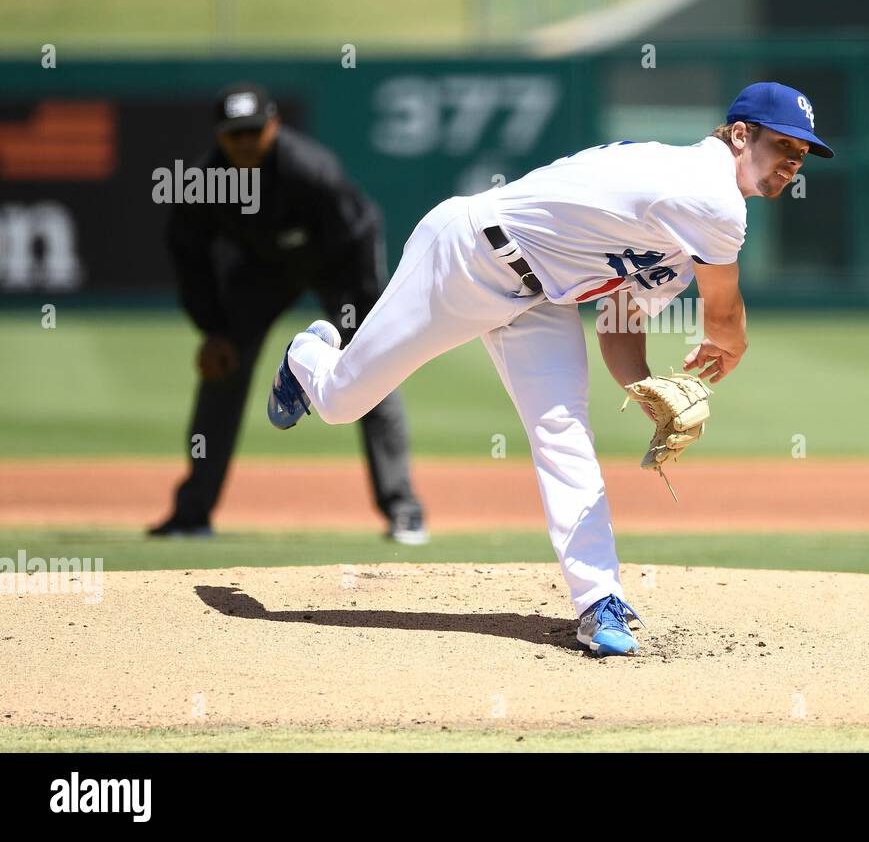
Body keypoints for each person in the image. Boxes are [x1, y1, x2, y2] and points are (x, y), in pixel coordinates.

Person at [266, 82, 832, 654]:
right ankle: (308, 354)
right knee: (341, 402)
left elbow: (617, 322)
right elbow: (724, 317)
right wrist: (732, 344)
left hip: (543, 300)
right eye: (783, 144)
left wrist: (643, 389)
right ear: (740, 134)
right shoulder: (710, 195)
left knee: (563, 429)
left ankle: (598, 601)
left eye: (801, 154)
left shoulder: (685, 247)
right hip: (467, 254)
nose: (791, 163)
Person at [151, 83, 427, 544]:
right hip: (263, 269)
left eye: (253, 131)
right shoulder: (207, 183)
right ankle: (192, 514)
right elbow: (188, 253)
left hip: (336, 262)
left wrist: (364, 326)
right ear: (219, 136)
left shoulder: (309, 171)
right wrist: (213, 329)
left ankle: (403, 509)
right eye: (234, 134)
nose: (244, 142)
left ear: (274, 127)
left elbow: (358, 237)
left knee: (372, 371)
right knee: (222, 370)